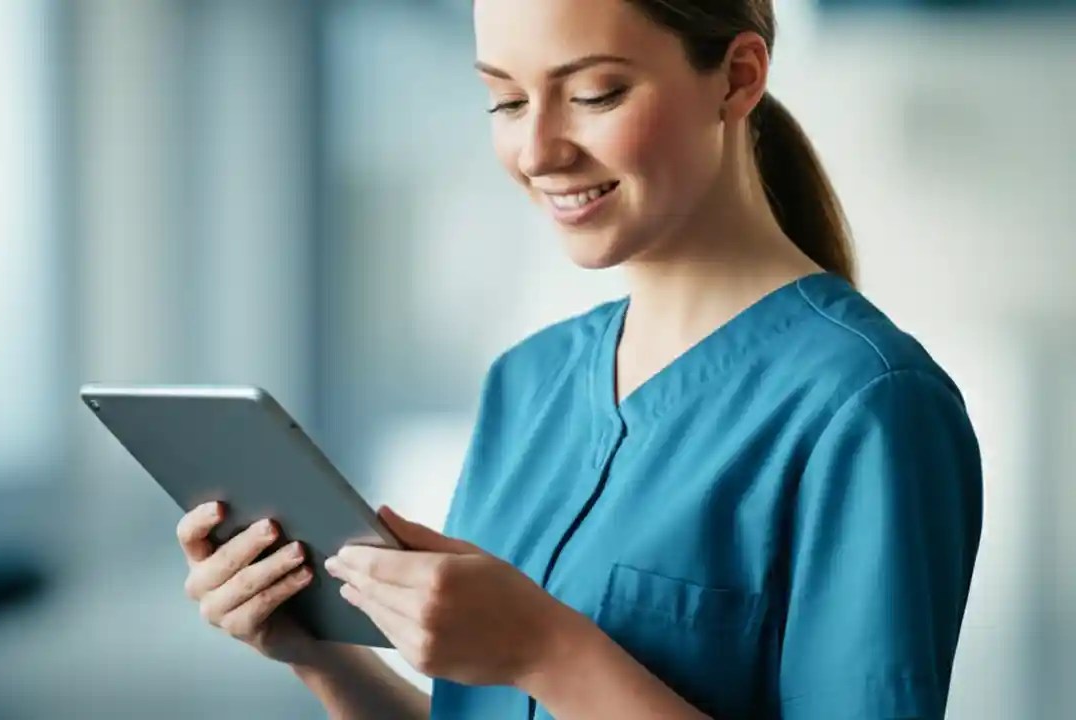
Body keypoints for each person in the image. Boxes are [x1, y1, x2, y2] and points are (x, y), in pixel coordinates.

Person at [175, 0, 983, 717]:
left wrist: (546, 650)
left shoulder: (868, 404)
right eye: (506, 99)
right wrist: (318, 653)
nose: (536, 150)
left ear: (737, 78)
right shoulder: (526, 382)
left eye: (595, 94)